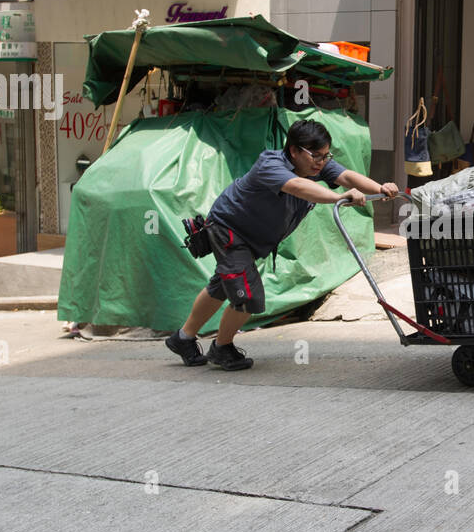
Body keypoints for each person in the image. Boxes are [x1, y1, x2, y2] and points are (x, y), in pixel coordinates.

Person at [166, 119, 399, 370]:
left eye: (325, 155)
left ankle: (183, 338)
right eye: (316, 155)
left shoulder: (313, 165)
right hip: (230, 231)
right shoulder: (271, 164)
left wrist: (381, 188)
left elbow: (346, 175)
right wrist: (339, 197)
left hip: (251, 237)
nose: (321, 162)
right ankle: (222, 348)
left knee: (221, 286)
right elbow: (298, 187)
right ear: (294, 151)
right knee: (249, 296)